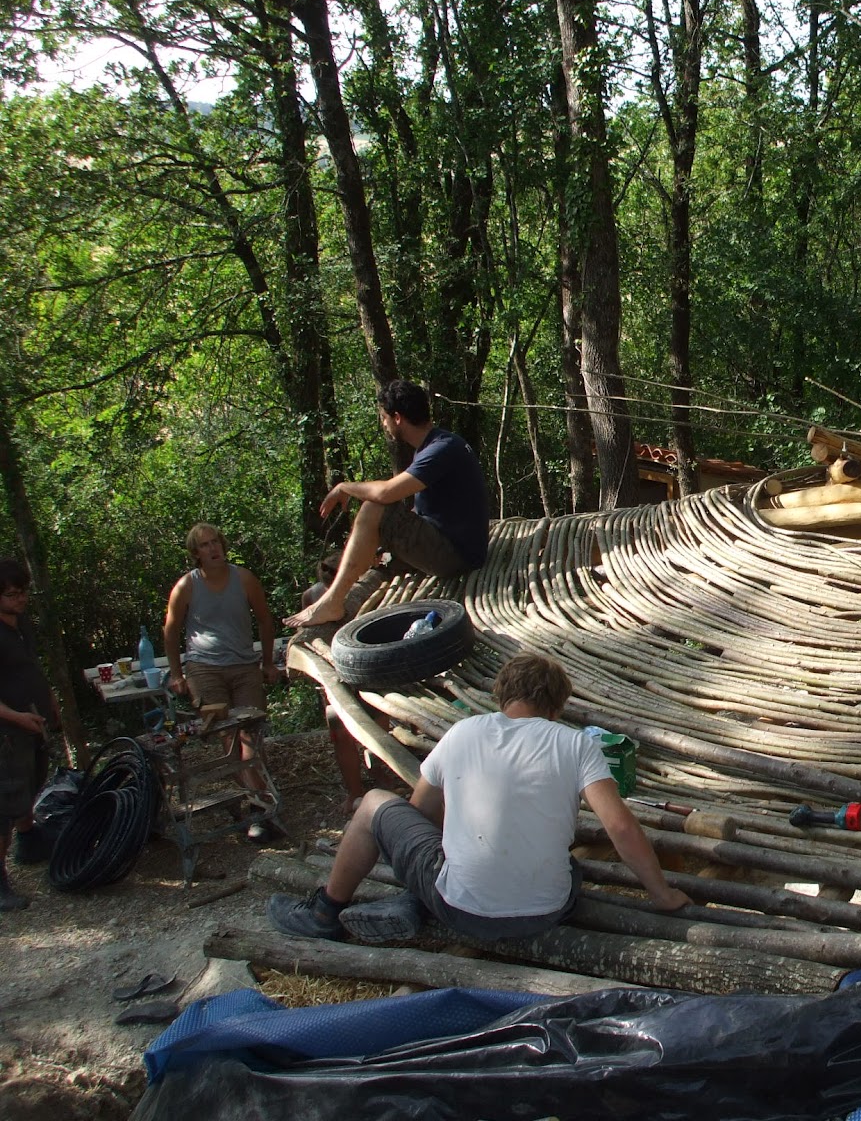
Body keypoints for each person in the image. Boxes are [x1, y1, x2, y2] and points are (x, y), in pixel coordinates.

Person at [267, 651, 692, 942]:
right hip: (547, 911)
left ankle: (325, 912)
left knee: (375, 802)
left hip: (462, 909)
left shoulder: (462, 732)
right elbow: (618, 825)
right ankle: (412, 904)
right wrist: (662, 895)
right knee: (562, 861)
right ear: (557, 706)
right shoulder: (575, 743)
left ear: (502, 695)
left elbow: (419, 814)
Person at [284, 380, 489, 630]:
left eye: (383, 417)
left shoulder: (441, 449)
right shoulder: (436, 445)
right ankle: (339, 595)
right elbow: (424, 510)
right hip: (451, 546)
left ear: (397, 417)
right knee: (346, 561)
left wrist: (344, 487)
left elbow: (385, 493)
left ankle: (332, 602)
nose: (383, 424)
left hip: (455, 555)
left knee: (374, 507)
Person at [163, 524, 280, 840]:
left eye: (216, 542)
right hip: (204, 668)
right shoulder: (187, 586)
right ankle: (256, 804)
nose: (213, 548)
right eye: (205, 545)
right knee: (228, 736)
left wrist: (267, 661)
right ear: (196, 552)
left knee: (251, 734)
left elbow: (265, 619)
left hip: (244, 665)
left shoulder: (243, 578)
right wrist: (177, 674)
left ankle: (259, 808)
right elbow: (171, 630)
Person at [0, 557, 58, 909]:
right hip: (7, 731)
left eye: (23, 593)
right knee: (3, 805)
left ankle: (30, 839)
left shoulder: (21, 624)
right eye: (11, 594)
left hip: (33, 722)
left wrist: (49, 701)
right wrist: (15, 717)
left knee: (31, 784)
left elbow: (32, 668)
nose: (20, 599)